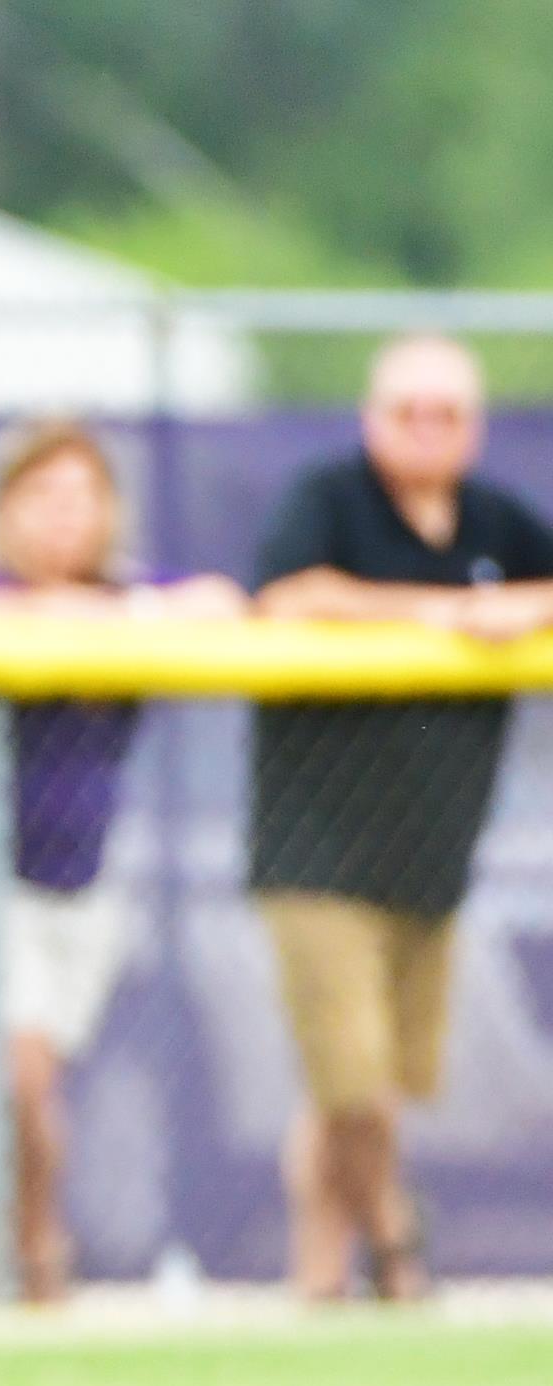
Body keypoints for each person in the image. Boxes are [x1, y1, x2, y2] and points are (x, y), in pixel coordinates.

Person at [0, 419, 245, 1303]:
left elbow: (225, 606)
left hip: (71, 888)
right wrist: (58, 616)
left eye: (82, 498)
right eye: (41, 497)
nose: (63, 519)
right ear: (3, 508)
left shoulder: (128, 594)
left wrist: (115, 614)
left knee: (31, 1095)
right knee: (15, 1074)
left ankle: (37, 1259)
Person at [249, 334, 553, 1304]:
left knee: (374, 1085)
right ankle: (392, 1241)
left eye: (447, 412)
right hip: (316, 846)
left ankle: (319, 1275)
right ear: (371, 416)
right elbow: (291, 596)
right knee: (353, 1076)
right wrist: (444, 616)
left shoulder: (496, 520)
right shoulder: (329, 499)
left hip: (430, 849)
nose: (426, 428)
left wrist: (516, 609)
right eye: (407, 409)